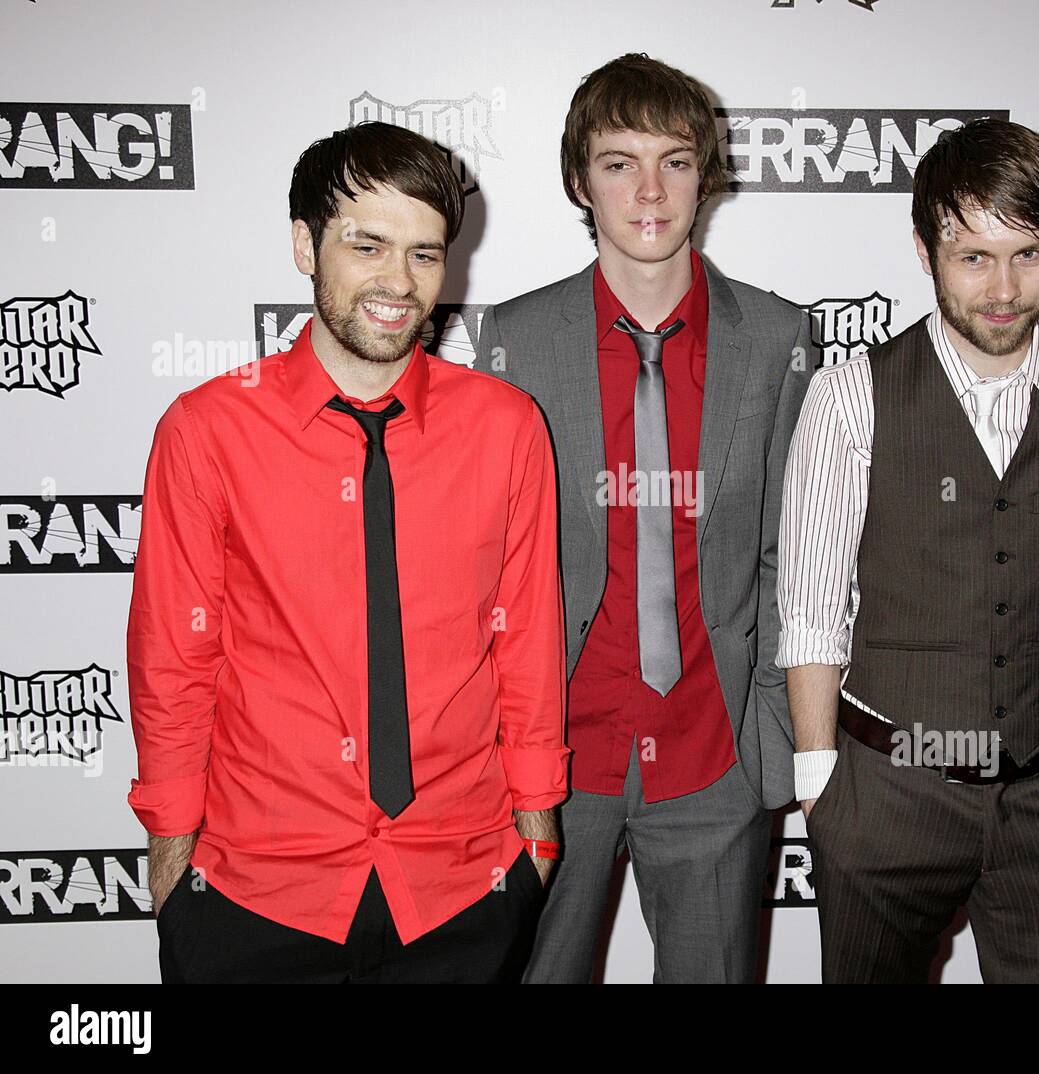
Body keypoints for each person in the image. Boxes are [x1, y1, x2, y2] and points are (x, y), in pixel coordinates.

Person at [126, 121, 568, 983]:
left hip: (463, 886)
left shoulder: (506, 427)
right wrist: (174, 869)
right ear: (305, 245)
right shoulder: (209, 431)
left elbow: (527, 646)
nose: (399, 284)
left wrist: (538, 835)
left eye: (426, 255)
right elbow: (174, 661)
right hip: (254, 890)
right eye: (368, 245)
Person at [778, 118, 1039, 984]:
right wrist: (823, 793)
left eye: (1029, 254)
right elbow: (811, 613)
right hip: (886, 796)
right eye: (973, 256)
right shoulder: (850, 397)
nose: (1004, 288)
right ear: (923, 250)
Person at [473, 53, 813, 983]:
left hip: (714, 757)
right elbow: (483, 568)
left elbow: (790, 553)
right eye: (619, 162)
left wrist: (768, 743)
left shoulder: (779, 337)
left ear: (707, 173)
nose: (650, 189)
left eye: (675, 159)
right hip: (550, 765)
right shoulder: (510, 341)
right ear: (580, 180)